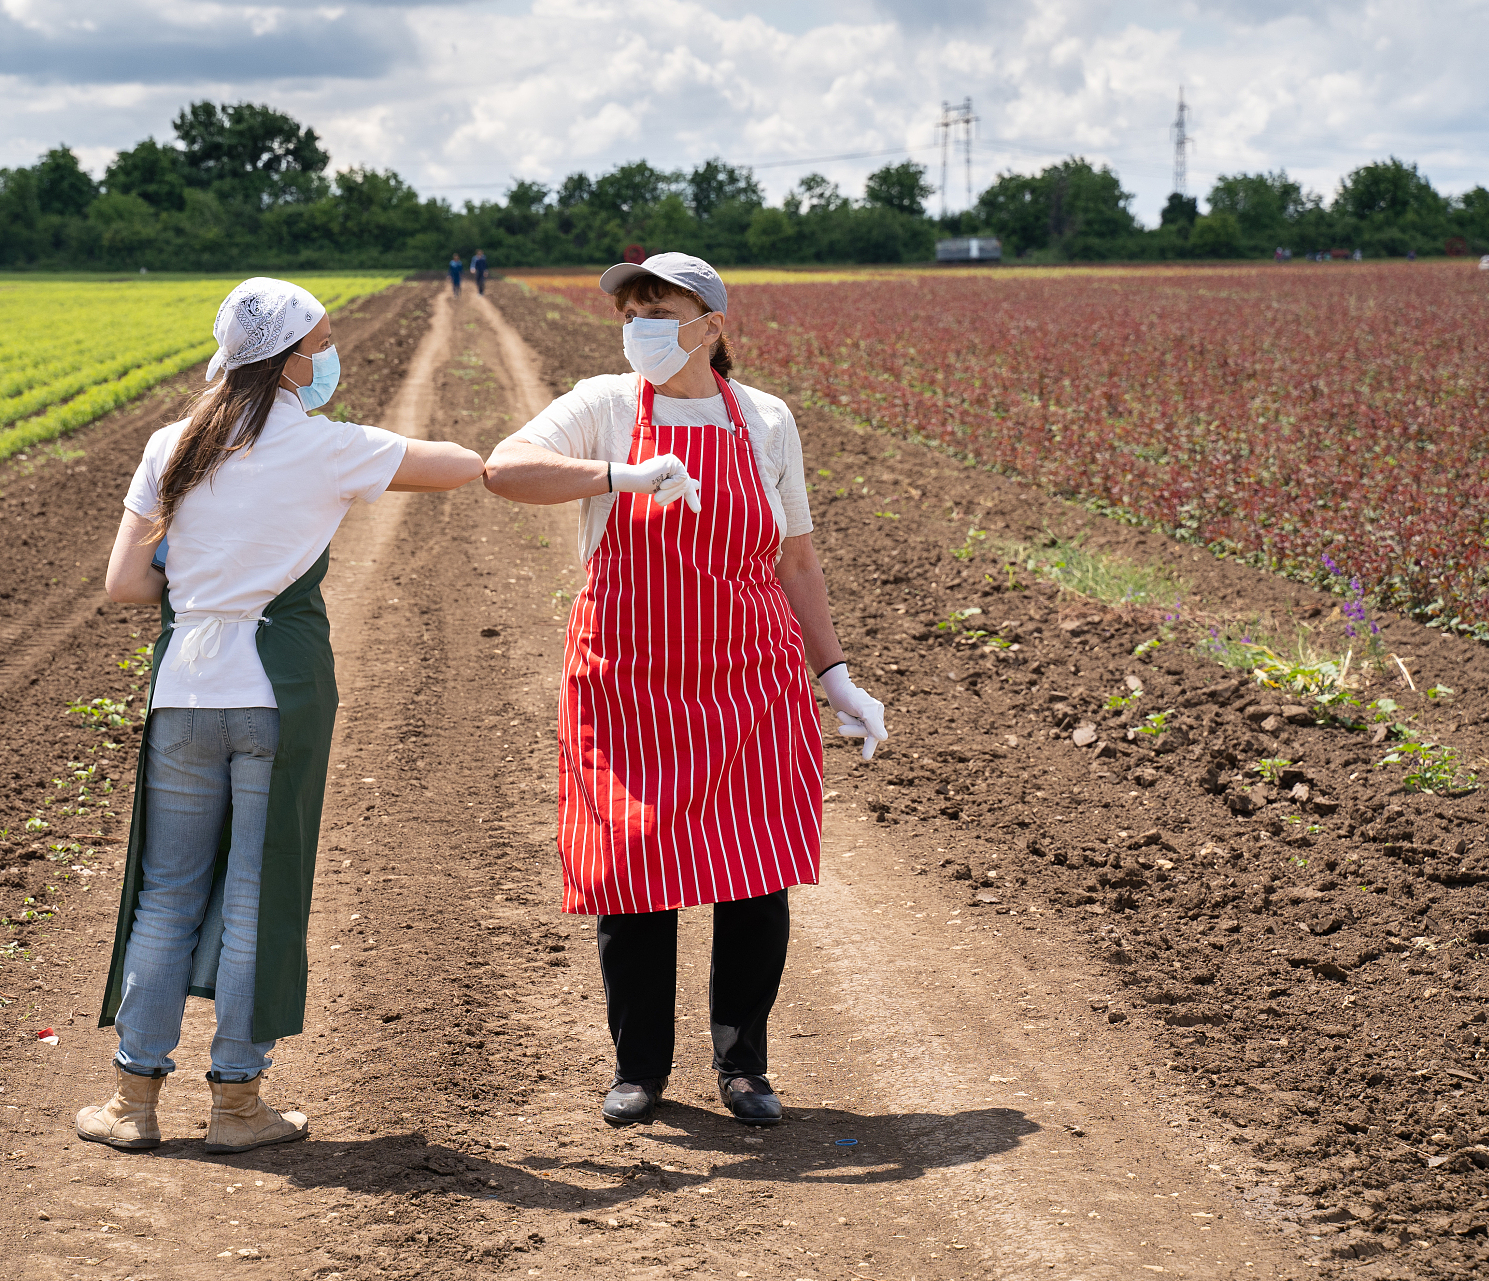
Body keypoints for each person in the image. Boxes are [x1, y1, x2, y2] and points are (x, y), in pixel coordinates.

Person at [483, 251, 887, 1130]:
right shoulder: (606, 405)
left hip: (749, 677)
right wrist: (617, 476)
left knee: (753, 868)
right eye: (630, 312)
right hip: (627, 677)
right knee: (633, 870)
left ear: (711, 324)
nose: (639, 327)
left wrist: (836, 675)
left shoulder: (766, 420)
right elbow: (504, 468)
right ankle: (639, 1068)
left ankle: (743, 1066)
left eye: (657, 309)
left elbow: (797, 559)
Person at [82, 278, 484, 1154]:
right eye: (323, 342)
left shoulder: (171, 442)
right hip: (273, 692)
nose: (331, 356)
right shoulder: (327, 447)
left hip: (183, 691)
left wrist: (204, 590)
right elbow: (457, 465)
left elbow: (125, 583)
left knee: (166, 890)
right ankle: (237, 1103)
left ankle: (131, 1101)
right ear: (293, 358)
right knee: (257, 892)